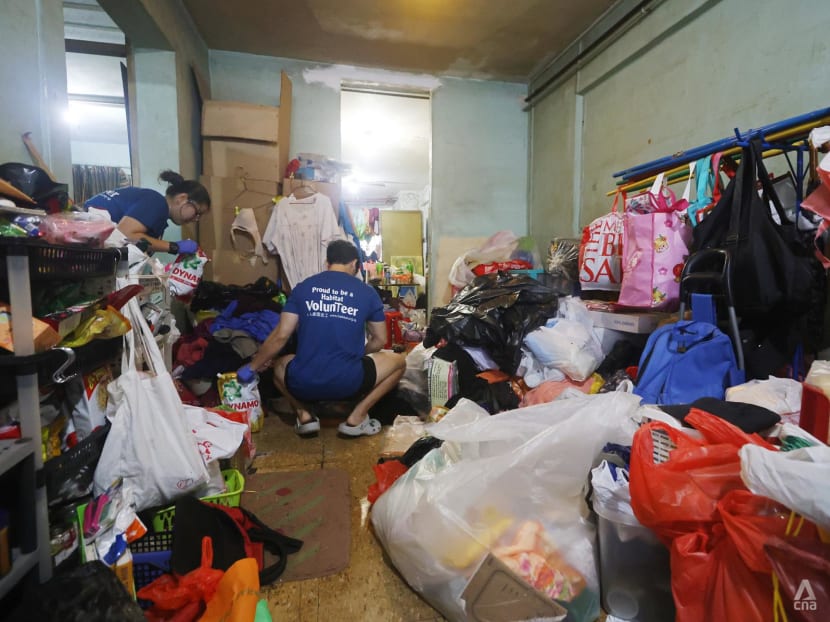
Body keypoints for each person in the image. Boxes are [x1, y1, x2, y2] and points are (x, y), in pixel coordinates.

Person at [237, 239, 405, 437]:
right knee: (399, 362)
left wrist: (253, 366)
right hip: (350, 383)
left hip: (304, 382)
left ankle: (304, 415)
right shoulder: (367, 292)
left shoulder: (303, 287)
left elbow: (281, 335)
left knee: (278, 365)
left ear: (328, 263)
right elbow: (379, 340)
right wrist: (360, 356)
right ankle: (357, 417)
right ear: (354, 264)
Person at [84, 170, 210, 254]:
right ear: (181, 199)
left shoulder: (159, 218)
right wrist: (174, 247)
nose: (195, 219)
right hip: (85, 236)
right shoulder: (157, 202)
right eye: (196, 212)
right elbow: (124, 233)